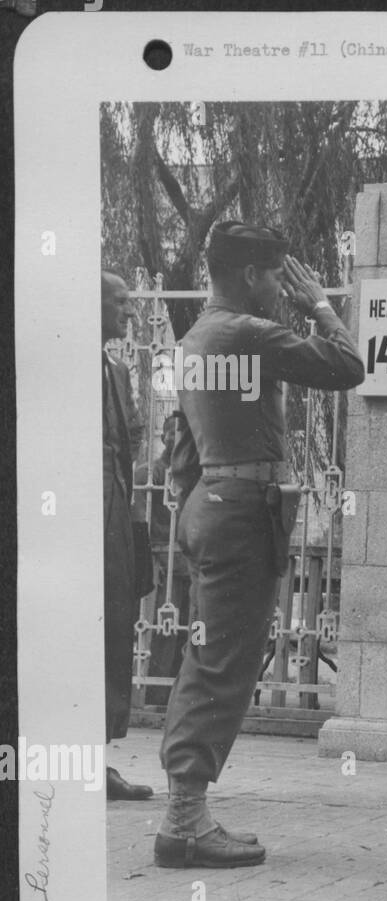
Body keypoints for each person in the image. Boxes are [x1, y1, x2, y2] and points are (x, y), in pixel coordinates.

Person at [155, 222, 365, 869]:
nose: (282, 286)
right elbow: (349, 366)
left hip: (212, 510)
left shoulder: (194, 340)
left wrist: (193, 522)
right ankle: (183, 822)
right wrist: (323, 308)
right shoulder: (248, 333)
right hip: (242, 515)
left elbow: (181, 450)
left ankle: (188, 813)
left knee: (210, 657)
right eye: (277, 274)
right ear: (249, 274)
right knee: (220, 664)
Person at [102, 271, 155, 801]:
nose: (130, 313)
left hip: (114, 516)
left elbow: (132, 437)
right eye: (120, 303)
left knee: (114, 632)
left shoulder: (116, 371)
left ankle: (98, 758)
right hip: (75, 523)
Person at [133, 412, 190, 706]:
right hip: (163, 560)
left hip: (189, 560)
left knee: (190, 628)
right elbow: (144, 519)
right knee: (165, 629)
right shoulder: (150, 473)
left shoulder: (194, 473)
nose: (175, 437)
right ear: (163, 437)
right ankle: (156, 695)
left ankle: (180, 697)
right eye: (171, 432)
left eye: (181, 432)